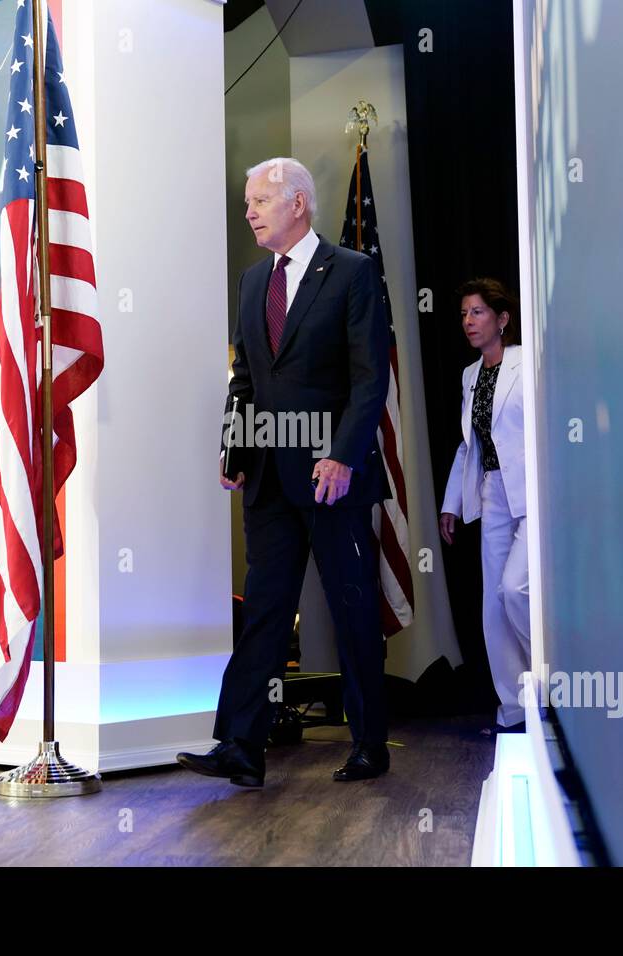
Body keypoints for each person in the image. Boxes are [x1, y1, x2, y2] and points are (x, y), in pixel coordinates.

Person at [176, 157, 391, 787]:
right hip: (269, 473)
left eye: (260, 201)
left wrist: (344, 454)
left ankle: (370, 744)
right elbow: (245, 377)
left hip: (333, 475)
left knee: (351, 610)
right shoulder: (250, 282)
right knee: (265, 610)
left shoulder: (351, 271)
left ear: (297, 203)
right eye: (248, 202)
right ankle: (242, 745)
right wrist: (234, 449)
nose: (249, 211)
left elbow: (368, 378)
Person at [438, 279, 531, 733]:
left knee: (516, 590)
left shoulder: (526, 363)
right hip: (492, 492)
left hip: (531, 492)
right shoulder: (470, 375)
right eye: (463, 314)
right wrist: (452, 503)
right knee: (493, 607)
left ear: (502, 319)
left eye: (477, 312)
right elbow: (467, 445)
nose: (468, 322)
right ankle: (514, 710)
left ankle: (554, 688)